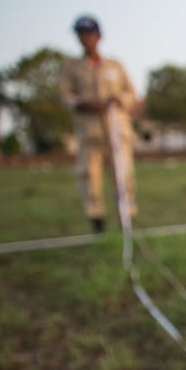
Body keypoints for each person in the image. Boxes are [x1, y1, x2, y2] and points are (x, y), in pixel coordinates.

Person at [58, 15, 138, 233]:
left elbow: (131, 93)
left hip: (117, 131)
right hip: (89, 132)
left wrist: (119, 101)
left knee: (123, 176)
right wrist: (82, 104)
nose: (84, 39)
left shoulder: (115, 65)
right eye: (80, 35)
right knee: (89, 177)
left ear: (98, 36)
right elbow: (65, 96)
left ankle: (127, 219)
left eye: (88, 34)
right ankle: (97, 222)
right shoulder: (71, 67)